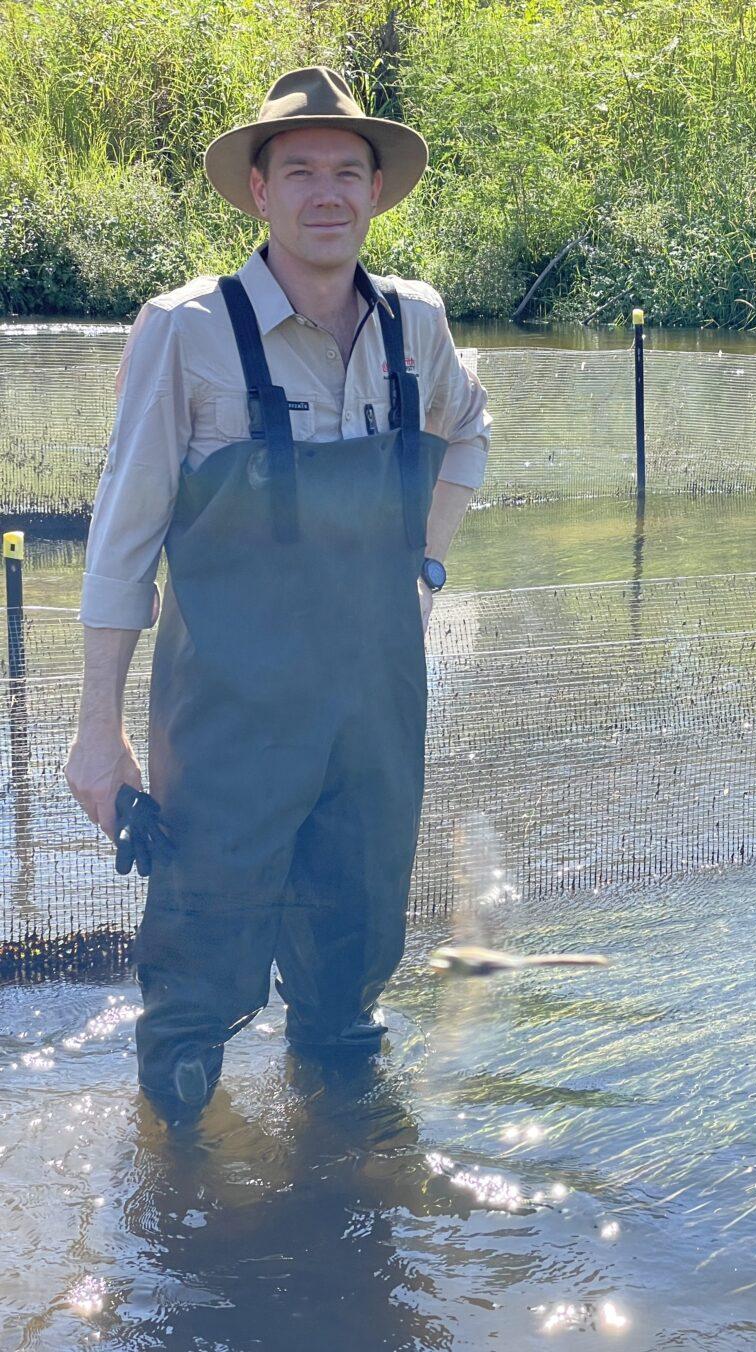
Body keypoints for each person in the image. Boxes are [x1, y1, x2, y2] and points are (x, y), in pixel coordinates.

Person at [65, 66, 491, 1125]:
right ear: (257, 192)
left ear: (377, 191)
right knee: (198, 979)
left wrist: (425, 565)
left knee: (349, 977)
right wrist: (95, 731)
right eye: (298, 170)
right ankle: (174, 1205)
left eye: (348, 170)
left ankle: (341, 1203)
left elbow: (469, 431)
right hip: (228, 721)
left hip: (376, 712)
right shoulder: (186, 329)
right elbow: (124, 538)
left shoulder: (414, 325)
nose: (327, 192)